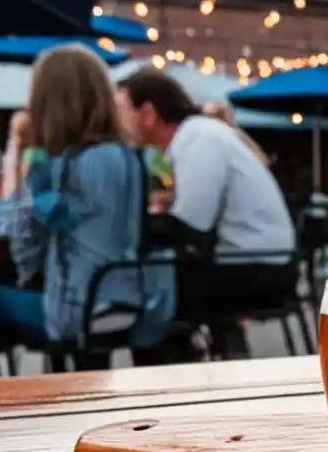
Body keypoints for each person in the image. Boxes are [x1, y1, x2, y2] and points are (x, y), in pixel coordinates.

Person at [0, 45, 174, 362]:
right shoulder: (132, 158)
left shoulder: (61, 165)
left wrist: (18, 151)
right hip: (128, 299)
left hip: (78, 309)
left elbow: (25, 242)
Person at [117, 69, 296, 358]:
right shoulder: (199, 135)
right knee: (157, 287)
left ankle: (172, 388)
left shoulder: (198, 139)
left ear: (148, 112)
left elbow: (190, 225)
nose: (120, 122)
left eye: (123, 111)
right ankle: (198, 371)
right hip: (261, 263)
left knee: (151, 298)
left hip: (258, 270)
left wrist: (126, 227)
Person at [201, 100, 273, 167]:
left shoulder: (232, 133)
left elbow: (262, 161)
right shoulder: (227, 132)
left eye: (216, 115)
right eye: (209, 116)